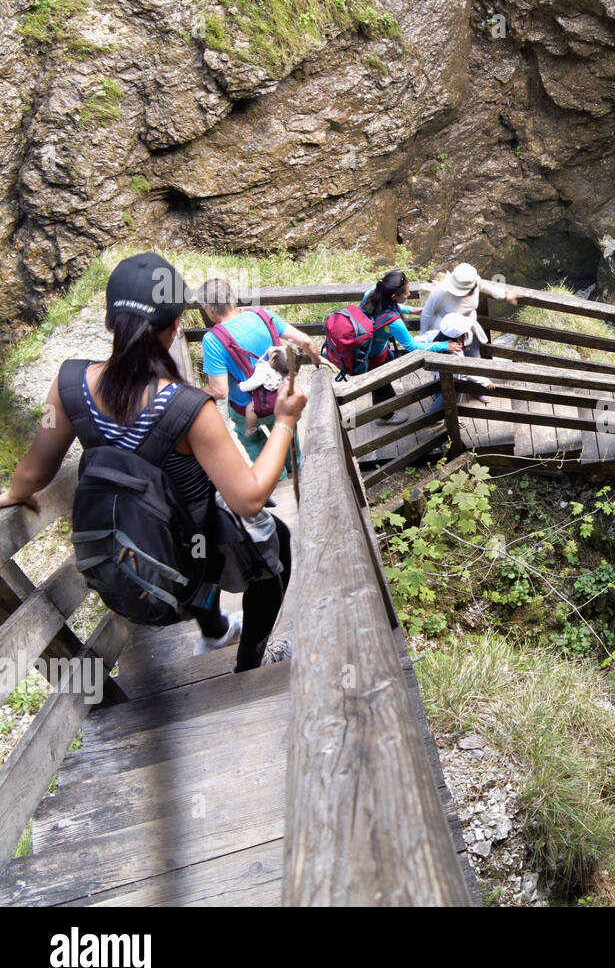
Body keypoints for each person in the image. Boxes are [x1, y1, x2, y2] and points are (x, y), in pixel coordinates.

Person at [0, 252, 305, 673]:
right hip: (189, 562)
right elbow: (249, 499)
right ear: (175, 326)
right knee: (277, 542)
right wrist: (286, 421)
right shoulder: (188, 408)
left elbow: (34, 471)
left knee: (190, 525)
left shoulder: (68, 384)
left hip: (121, 555)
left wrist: (15, 493)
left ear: (110, 320)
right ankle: (250, 660)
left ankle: (214, 627)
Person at [199, 278, 321, 467]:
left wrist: (189, 393)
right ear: (233, 300)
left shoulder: (213, 340)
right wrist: (317, 362)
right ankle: (295, 471)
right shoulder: (262, 315)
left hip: (247, 408)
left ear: (209, 309)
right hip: (280, 399)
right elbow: (306, 342)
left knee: (257, 446)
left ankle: (277, 481)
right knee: (286, 437)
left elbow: (220, 391)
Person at [361, 269, 461, 424]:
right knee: (382, 385)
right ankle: (385, 416)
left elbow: (385, 305)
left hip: (367, 348)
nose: (409, 295)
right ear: (394, 296)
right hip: (374, 356)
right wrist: (444, 345)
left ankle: (383, 412)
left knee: (380, 385)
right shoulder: (394, 323)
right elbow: (412, 346)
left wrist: (412, 310)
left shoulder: (373, 292)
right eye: (406, 293)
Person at [418, 263, 522, 381]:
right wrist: (425, 337)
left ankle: (476, 387)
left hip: (469, 329)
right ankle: (444, 388)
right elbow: (427, 313)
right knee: (447, 364)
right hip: (446, 332)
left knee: (474, 359)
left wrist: (505, 295)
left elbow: (487, 287)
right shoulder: (441, 290)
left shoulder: (475, 282)